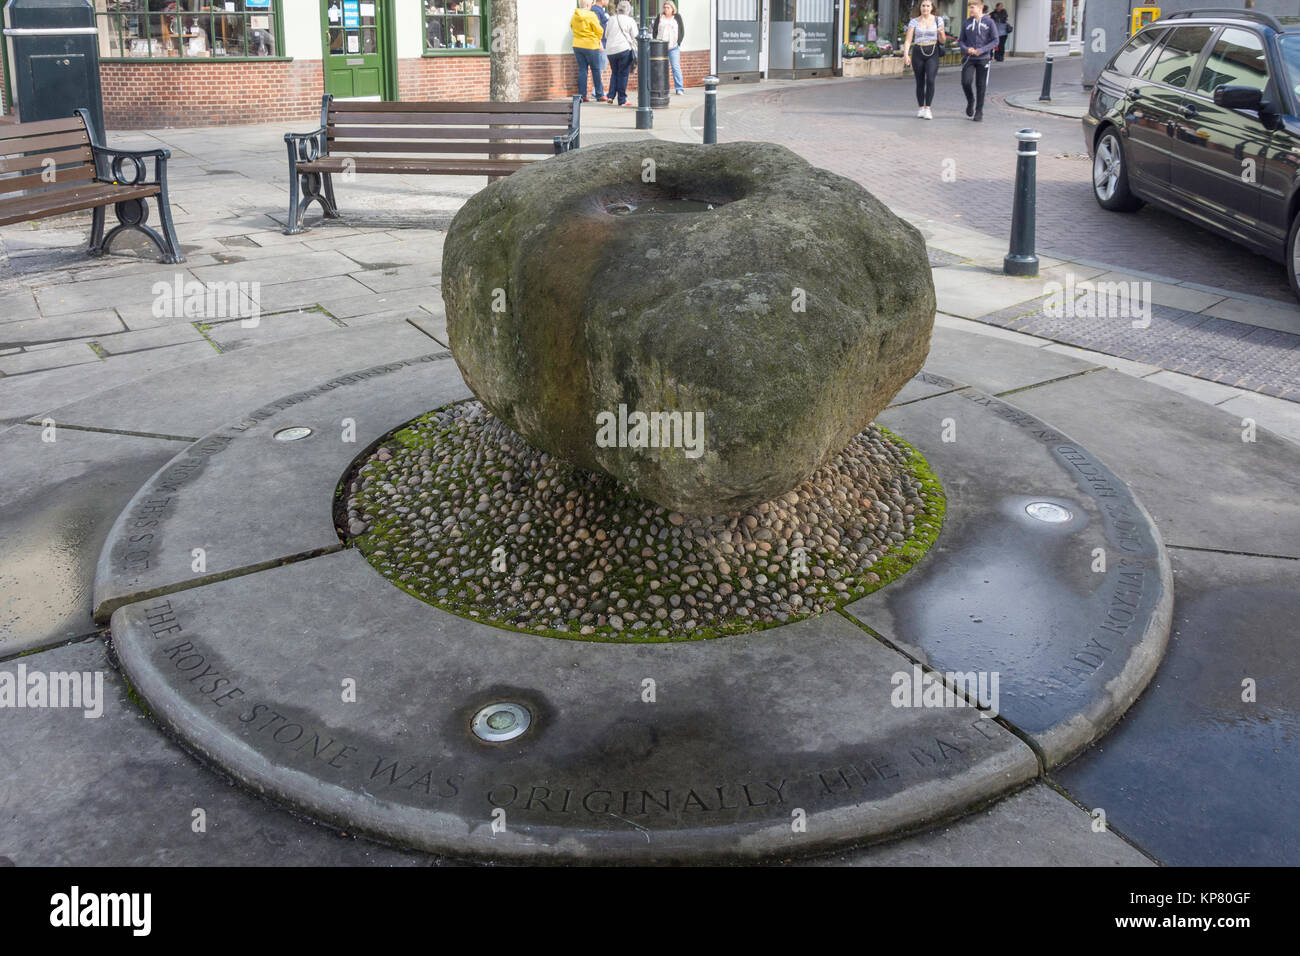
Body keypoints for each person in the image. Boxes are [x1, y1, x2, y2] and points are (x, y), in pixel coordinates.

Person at [902, 0, 946, 120]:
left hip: (933, 51)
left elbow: (943, 40)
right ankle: (921, 107)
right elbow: (908, 40)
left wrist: (941, 33)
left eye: (927, 6)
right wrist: (906, 55)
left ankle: (928, 108)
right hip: (918, 51)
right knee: (920, 81)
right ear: (920, 7)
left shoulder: (938, 20)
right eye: (923, 6)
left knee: (931, 79)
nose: (925, 8)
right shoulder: (914, 21)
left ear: (932, 7)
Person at [956, 0, 998, 121]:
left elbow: (995, 40)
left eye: (972, 8)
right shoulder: (967, 23)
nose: (970, 10)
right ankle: (970, 100)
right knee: (966, 81)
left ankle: (979, 111)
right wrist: (966, 49)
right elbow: (961, 40)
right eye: (970, 8)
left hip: (983, 58)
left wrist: (982, 50)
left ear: (980, 8)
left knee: (981, 85)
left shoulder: (989, 22)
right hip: (969, 58)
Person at [571, 0, 608, 103]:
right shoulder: (591, 15)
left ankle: (582, 96)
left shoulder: (575, 15)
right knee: (595, 69)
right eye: (591, 4)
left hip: (577, 45)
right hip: (591, 45)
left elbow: (572, 27)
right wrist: (598, 39)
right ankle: (600, 94)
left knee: (582, 70)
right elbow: (599, 30)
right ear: (588, 5)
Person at [604, 1, 639, 106]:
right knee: (623, 74)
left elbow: (606, 35)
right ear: (628, 10)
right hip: (624, 49)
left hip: (611, 50)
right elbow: (636, 36)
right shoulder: (630, 20)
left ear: (618, 9)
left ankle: (610, 96)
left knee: (615, 73)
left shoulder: (611, 19)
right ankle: (622, 99)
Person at [652, 1, 686, 95]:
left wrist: (678, 42)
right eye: (665, 7)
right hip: (661, 47)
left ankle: (679, 88)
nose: (666, 9)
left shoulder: (677, 17)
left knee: (675, 67)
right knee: (661, 68)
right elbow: (654, 30)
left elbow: (682, 31)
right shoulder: (660, 17)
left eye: (668, 7)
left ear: (672, 8)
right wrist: (656, 42)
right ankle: (661, 88)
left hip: (673, 47)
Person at [591, 0, 610, 88]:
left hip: (603, 43)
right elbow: (595, 28)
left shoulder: (600, 10)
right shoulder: (596, 11)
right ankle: (597, 91)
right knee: (598, 69)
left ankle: (598, 90)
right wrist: (600, 43)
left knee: (600, 68)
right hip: (600, 44)